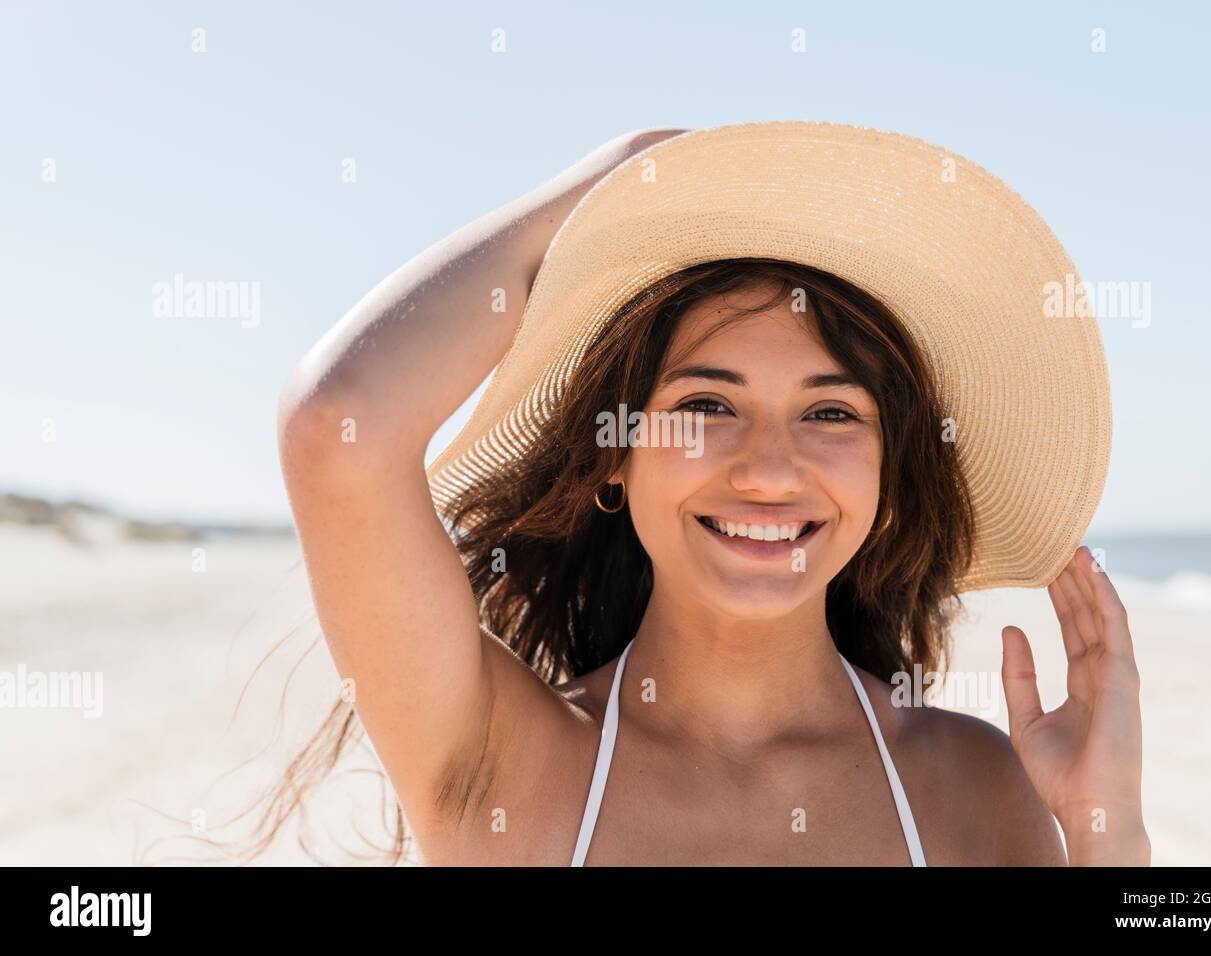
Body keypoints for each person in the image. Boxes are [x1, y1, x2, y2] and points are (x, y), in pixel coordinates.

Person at [274, 123, 1149, 866]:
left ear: (887, 480)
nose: (769, 469)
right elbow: (339, 427)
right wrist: (613, 179)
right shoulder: (509, 761)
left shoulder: (975, 789)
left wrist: (1107, 833)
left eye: (832, 411)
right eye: (705, 405)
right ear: (615, 452)